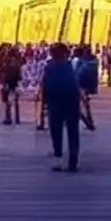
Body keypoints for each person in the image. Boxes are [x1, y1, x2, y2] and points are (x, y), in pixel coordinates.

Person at [42, 42, 83, 172]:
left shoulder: (49, 67)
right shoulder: (72, 66)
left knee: (56, 131)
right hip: (71, 101)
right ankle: (73, 161)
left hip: (55, 102)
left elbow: (46, 85)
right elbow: (77, 84)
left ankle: (59, 159)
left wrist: (44, 103)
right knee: (73, 132)